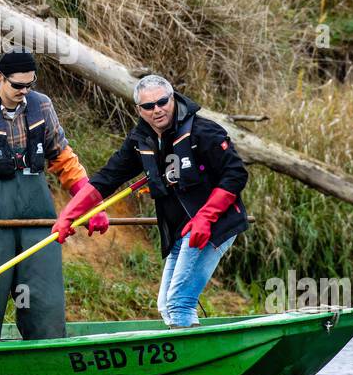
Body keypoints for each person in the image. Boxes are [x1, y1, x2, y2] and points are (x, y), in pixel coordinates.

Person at [0, 47, 108, 342]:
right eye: (17, 85)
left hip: (36, 224)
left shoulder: (41, 108)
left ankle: (45, 361)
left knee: (42, 301)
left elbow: (64, 160)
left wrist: (89, 203)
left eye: (30, 85)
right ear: (0, 78)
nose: (24, 92)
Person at [52, 75, 248, 328]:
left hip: (214, 224)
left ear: (173, 98)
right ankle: (187, 353)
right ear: (139, 110)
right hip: (180, 229)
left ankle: (190, 361)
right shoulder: (140, 140)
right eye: (148, 106)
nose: (157, 110)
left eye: (162, 102)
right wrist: (68, 214)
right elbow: (107, 178)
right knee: (166, 306)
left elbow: (235, 174)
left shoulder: (204, 131)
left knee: (179, 302)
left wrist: (205, 217)